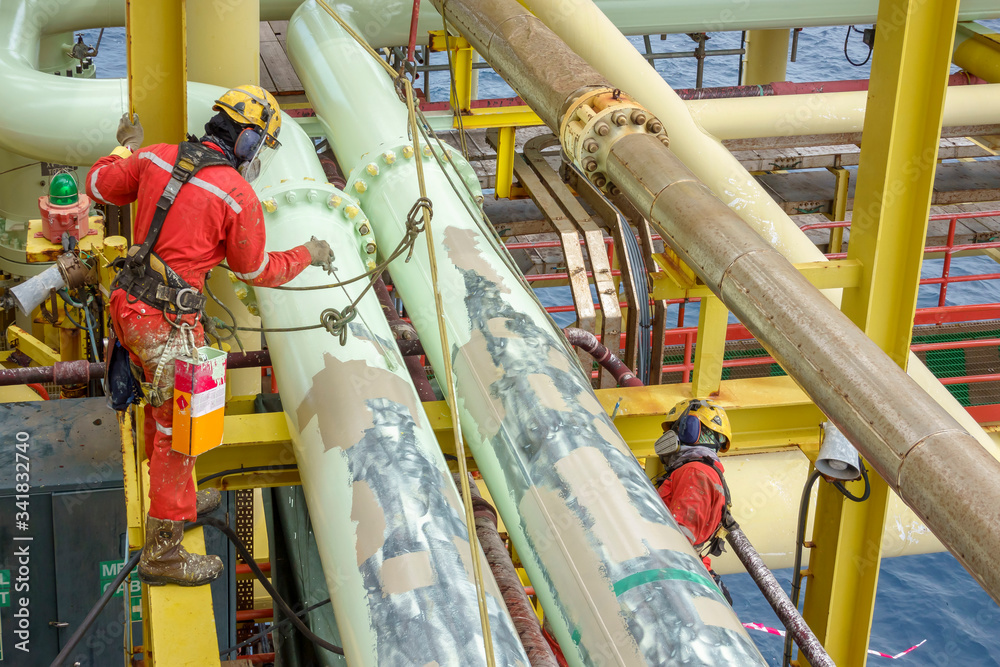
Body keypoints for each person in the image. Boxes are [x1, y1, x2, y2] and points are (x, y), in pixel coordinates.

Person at [87, 85, 334, 586]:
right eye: (261, 146)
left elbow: (97, 184)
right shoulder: (236, 194)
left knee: (161, 410)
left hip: (128, 307)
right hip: (167, 324)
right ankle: (163, 552)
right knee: (180, 429)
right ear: (247, 142)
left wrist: (125, 147)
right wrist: (309, 253)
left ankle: (174, 496)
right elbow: (256, 269)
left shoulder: (156, 158)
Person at [654, 398, 734, 603]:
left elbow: (679, 542)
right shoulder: (696, 470)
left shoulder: (695, 473)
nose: (668, 436)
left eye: (674, 428)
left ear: (688, 430)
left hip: (671, 576)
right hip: (687, 569)